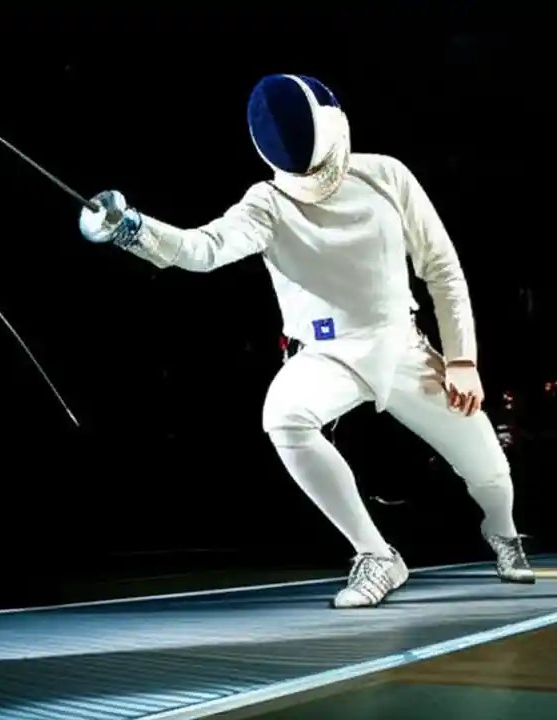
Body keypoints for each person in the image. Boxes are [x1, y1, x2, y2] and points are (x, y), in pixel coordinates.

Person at [78, 73, 533, 608]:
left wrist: (461, 359)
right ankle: (377, 555)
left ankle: (502, 533)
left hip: (402, 348)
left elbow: (443, 268)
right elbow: (202, 250)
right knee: (284, 416)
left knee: (489, 472)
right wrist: (133, 228)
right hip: (327, 354)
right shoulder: (266, 203)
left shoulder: (387, 174)